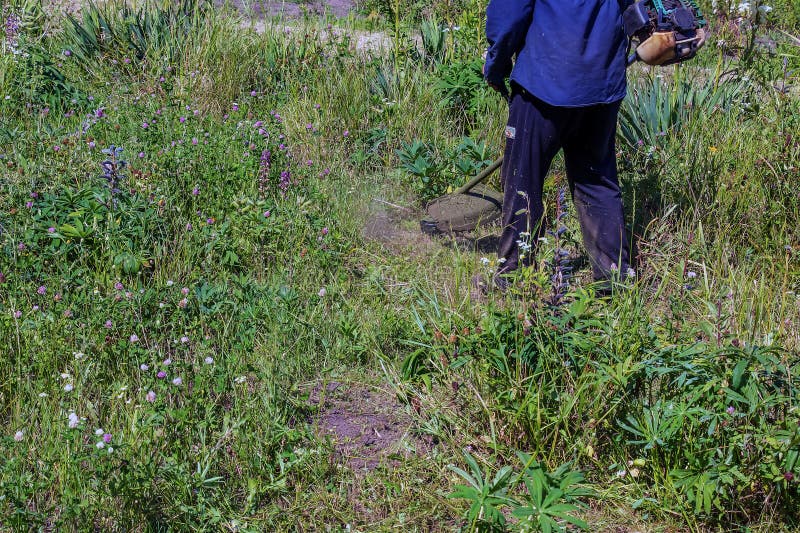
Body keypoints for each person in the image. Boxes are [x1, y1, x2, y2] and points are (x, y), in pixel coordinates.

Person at [481, 0, 632, 291]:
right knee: (596, 182)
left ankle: (514, 279)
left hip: (544, 81)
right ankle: (614, 279)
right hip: (602, 84)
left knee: (523, 180)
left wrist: (496, 64)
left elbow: (509, 11)